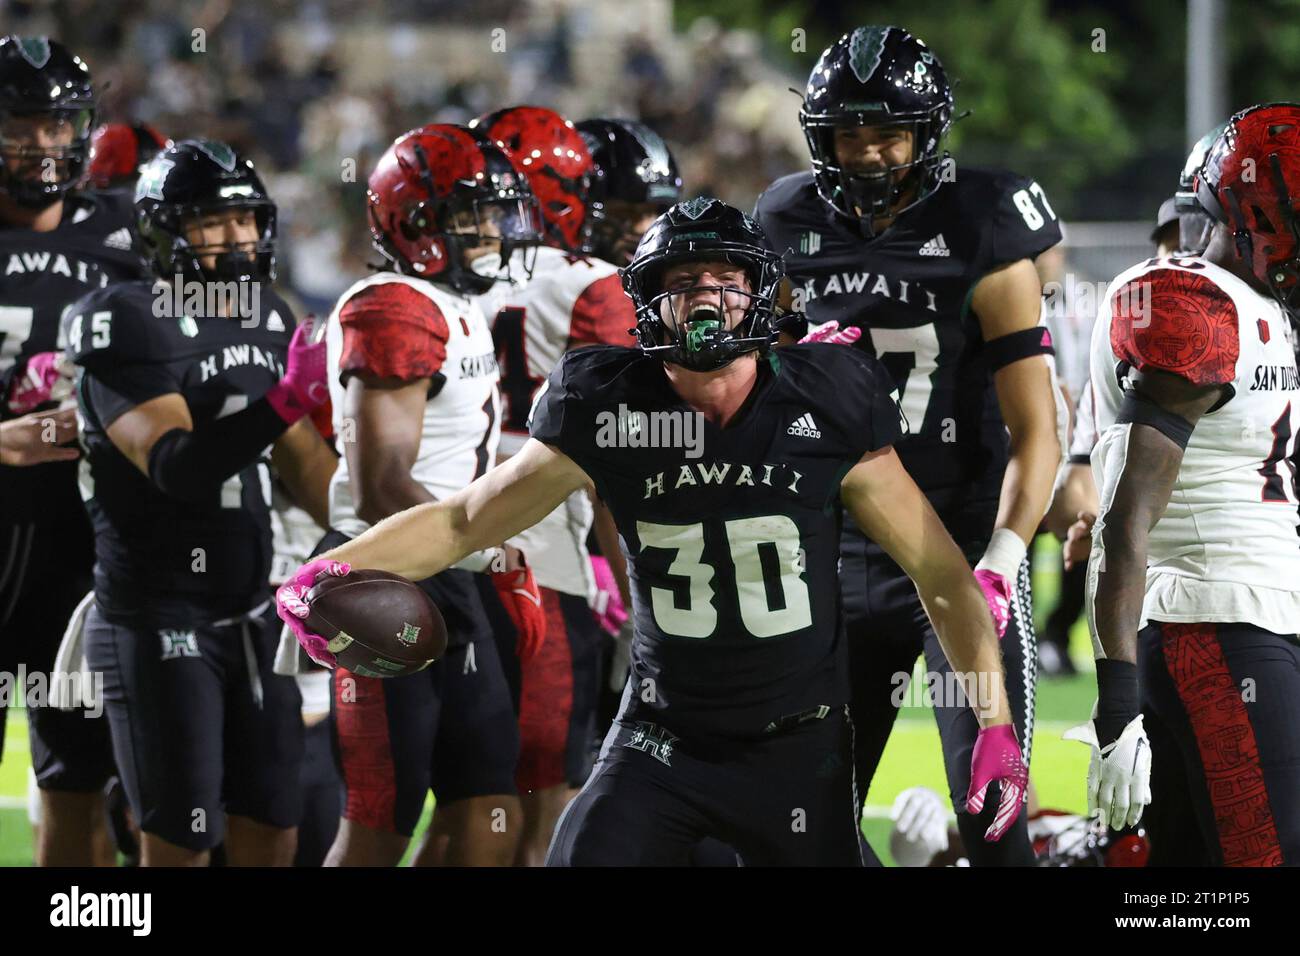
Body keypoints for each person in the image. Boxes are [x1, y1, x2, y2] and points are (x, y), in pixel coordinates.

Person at [279, 198, 1028, 866]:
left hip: (797, 745)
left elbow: (941, 576)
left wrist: (993, 725)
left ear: (761, 295)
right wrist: (330, 571)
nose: (706, 298)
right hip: (662, 737)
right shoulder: (604, 402)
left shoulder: (827, 394)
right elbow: (462, 519)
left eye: (727, 281)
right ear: (646, 301)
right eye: (682, 282)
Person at [754, 25, 1064, 864]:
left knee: (992, 815)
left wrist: (1003, 554)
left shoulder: (985, 221)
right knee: (803, 826)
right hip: (831, 551)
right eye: (850, 135)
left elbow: (1038, 425)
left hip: (956, 550)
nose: (870, 155)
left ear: (929, 133)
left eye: (889, 132)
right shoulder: (783, 219)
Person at [70, 139, 336, 866]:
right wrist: (287, 400)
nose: (238, 237)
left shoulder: (267, 316)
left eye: (247, 219)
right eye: (213, 221)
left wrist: (369, 537)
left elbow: (303, 460)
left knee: (274, 831)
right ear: (163, 231)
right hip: (161, 617)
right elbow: (177, 467)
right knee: (181, 846)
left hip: (253, 611)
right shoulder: (122, 316)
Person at [1070, 102, 1300, 867]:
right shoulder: (1190, 302)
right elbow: (1124, 519)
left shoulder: (1259, 305)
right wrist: (1115, 706)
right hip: (1211, 622)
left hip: (1244, 619)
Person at [312, 124, 545, 867]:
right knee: (381, 820)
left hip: (448, 569)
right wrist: (485, 553)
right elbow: (383, 483)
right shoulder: (392, 305)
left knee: (486, 800)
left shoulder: (451, 301)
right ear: (414, 220)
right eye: (472, 215)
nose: (492, 232)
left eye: (495, 214)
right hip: (387, 579)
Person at [468, 106, 652, 865]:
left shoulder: (443, 284)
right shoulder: (592, 285)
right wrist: (640, 587)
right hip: (549, 561)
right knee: (554, 802)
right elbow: (618, 461)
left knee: (469, 805)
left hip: (456, 546)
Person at [0, 34, 146, 866]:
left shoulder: (129, 235)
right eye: (24, 123)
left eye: (61, 125)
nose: (47, 144)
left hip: (81, 546)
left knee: (77, 785)